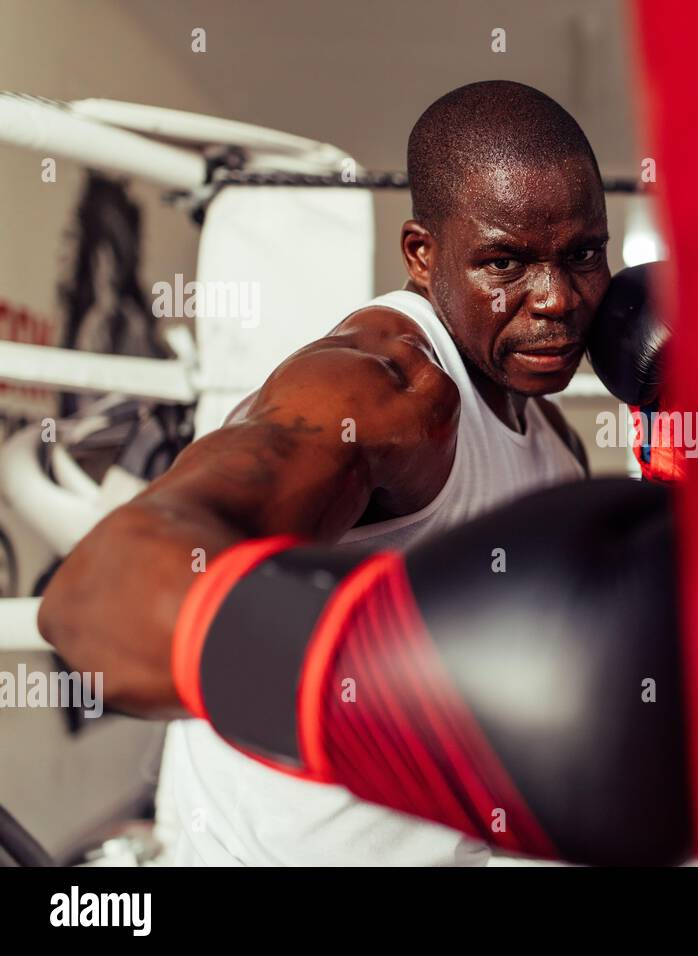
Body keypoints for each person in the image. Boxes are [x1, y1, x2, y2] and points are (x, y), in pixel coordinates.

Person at [40, 80, 633, 866]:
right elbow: (95, 600)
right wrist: (370, 677)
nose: (557, 299)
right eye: (505, 262)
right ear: (423, 256)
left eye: (583, 254)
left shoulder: (550, 433)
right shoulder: (379, 390)